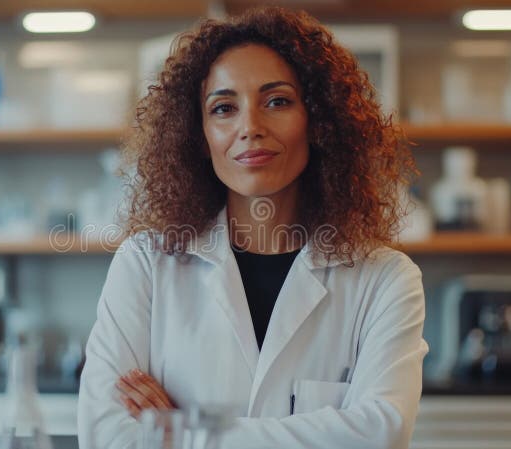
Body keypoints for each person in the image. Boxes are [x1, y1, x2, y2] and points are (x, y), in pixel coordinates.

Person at [78, 6, 427, 449]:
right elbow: (104, 435)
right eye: (224, 108)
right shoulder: (145, 265)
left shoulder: (386, 280)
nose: (250, 127)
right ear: (199, 135)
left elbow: (382, 433)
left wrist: (183, 431)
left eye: (277, 101)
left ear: (318, 121)